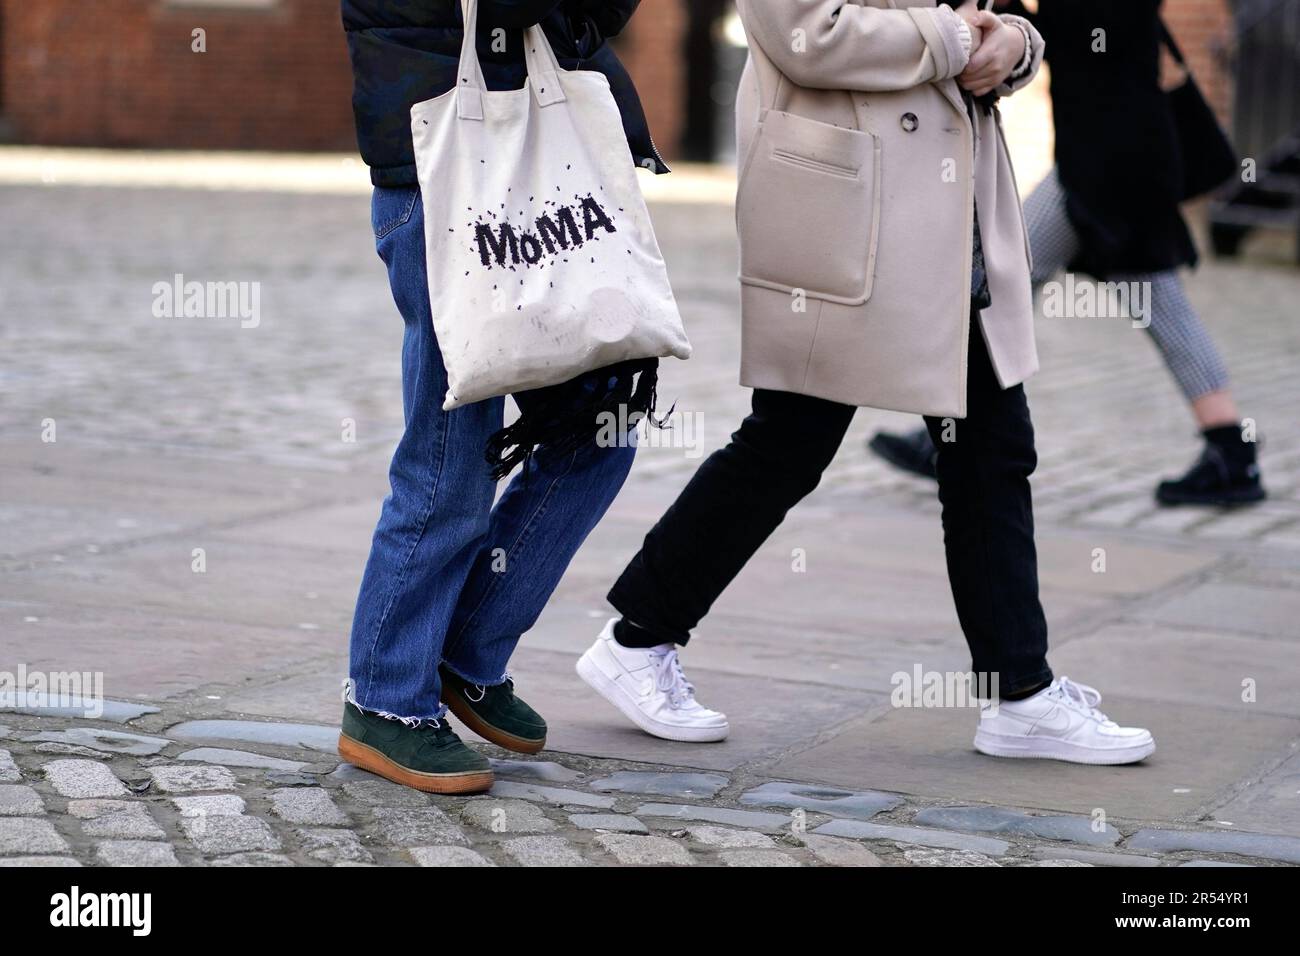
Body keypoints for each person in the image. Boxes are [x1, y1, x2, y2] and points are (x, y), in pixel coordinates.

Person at [577, 0, 1156, 765]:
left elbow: (996, 13)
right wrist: (951, 41)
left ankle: (1022, 691)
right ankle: (637, 637)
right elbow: (800, 31)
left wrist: (1014, 42)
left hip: (950, 209)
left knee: (989, 445)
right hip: (851, 204)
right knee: (789, 441)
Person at [337, 0, 663, 794]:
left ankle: (463, 650)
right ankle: (385, 699)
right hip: (445, 165)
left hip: (554, 157)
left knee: (602, 423)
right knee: (451, 457)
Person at [870, 0, 1265, 508]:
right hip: (1096, 163)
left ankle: (1232, 453)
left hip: (1114, 167)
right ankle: (1232, 450)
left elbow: (1095, 29)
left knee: (1005, 274)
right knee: (1037, 282)